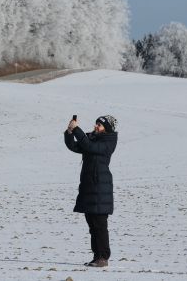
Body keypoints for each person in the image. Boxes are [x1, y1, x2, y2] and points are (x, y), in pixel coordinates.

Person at [64, 114, 118, 268]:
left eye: (99, 125)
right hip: (89, 187)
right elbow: (74, 146)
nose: (96, 127)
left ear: (106, 128)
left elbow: (89, 147)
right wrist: (69, 132)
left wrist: (77, 130)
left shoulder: (108, 142)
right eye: (96, 124)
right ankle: (97, 256)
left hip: (101, 188)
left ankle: (103, 257)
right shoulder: (92, 139)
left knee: (100, 225)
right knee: (92, 225)